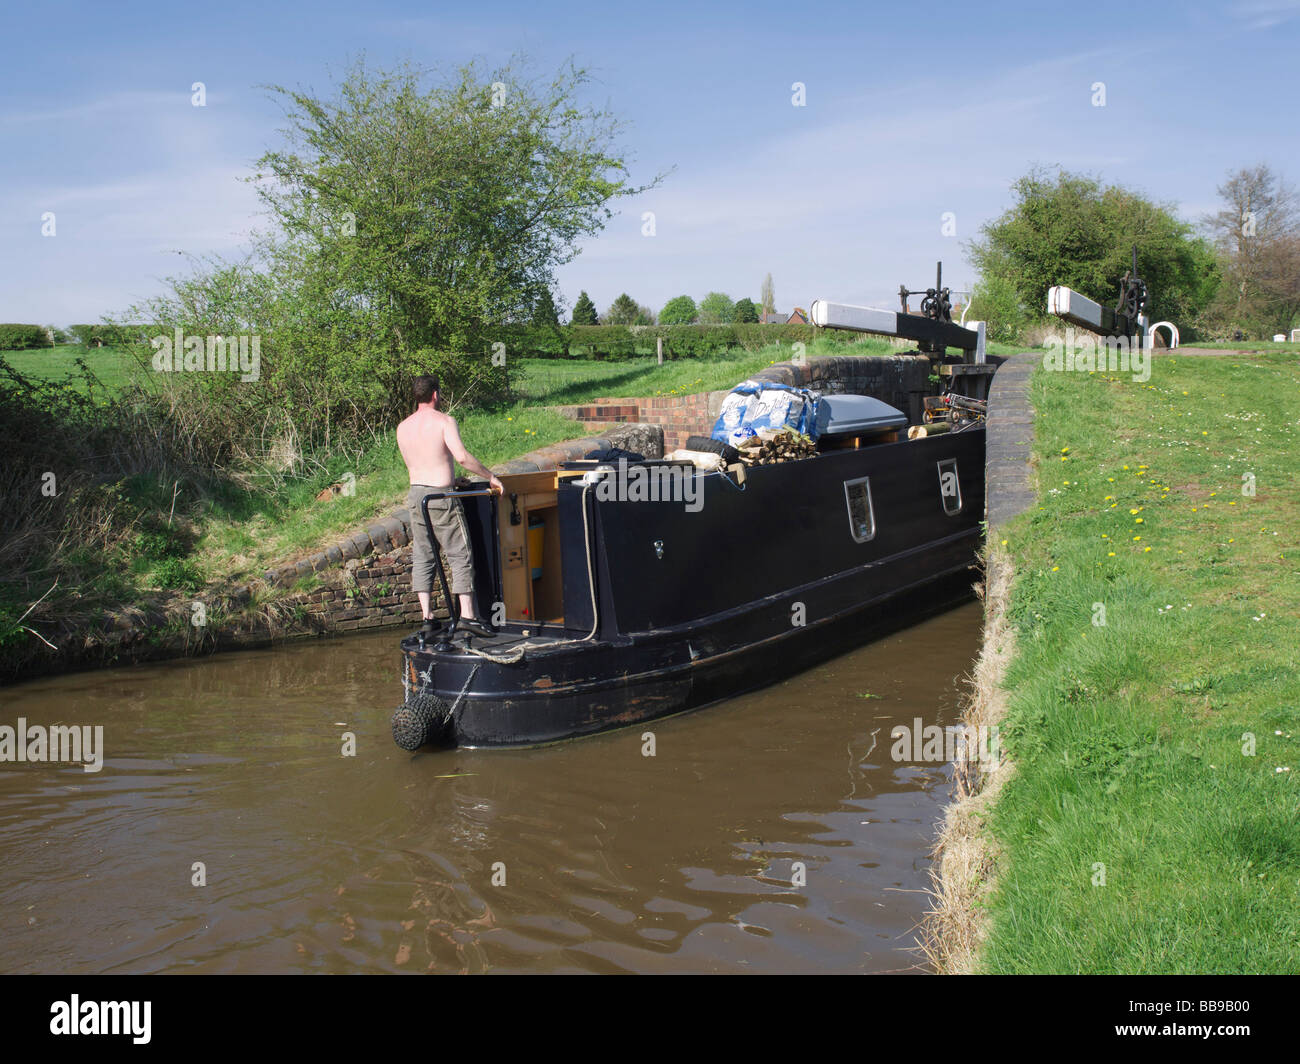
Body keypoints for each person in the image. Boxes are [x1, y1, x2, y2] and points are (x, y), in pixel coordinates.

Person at [397, 374, 503, 638]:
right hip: (441, 499)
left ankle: (427, 618)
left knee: (423, 555)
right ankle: (467, 616)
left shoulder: (403, 427)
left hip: (415, 496)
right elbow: (463, 457)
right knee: (460, 553)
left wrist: (452, 479)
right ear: (435, 394)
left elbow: (422, 464)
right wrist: (490, 477)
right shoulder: (445, 421)